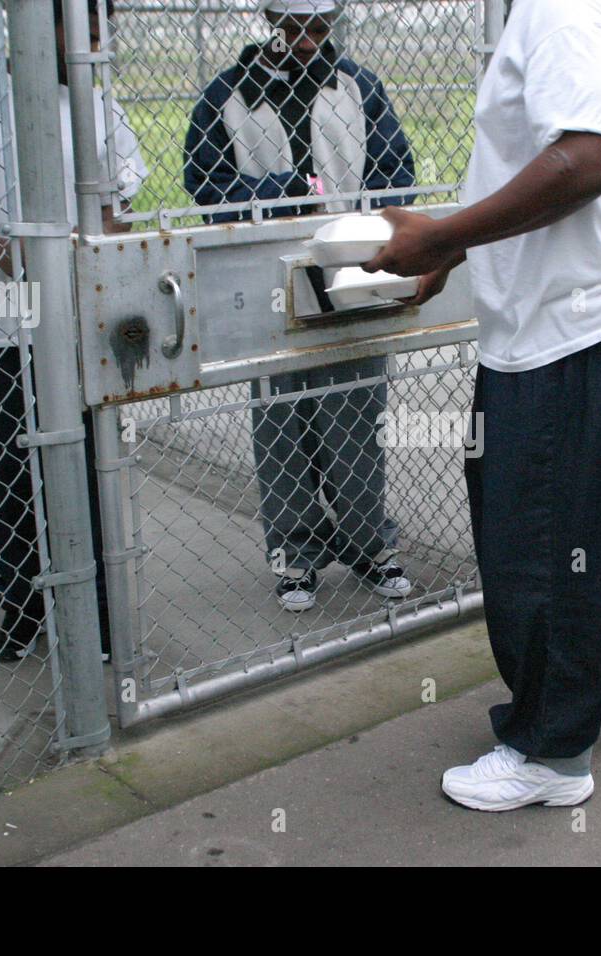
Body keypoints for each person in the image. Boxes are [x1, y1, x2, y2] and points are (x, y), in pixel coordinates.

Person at [365, 0, 601, 811]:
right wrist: (460, 244)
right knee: (563, 524)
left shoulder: (561, 9)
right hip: (579, 320)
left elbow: (587, 159)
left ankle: (551, 751)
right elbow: (549, 156)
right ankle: (587, 670)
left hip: (569, 329)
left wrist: (438, 238)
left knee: (533, 534)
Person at [0, 0, 148, 662]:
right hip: (0, 327)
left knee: (95, 469)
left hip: (80, 330)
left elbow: (121, 210)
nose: (99, 43)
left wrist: (94, 248)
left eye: (105, 31)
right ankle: (22, 603)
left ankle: (96, 608)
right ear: (42, 22)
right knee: (8, 470)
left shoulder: (99, 106)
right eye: (87, 29)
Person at [182, 0, 416, 612]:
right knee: (282, 420)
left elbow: (398, 169)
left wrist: (361, 218)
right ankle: (295, 554)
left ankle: (369, 545)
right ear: (270, 24)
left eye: (317, 27)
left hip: (348, 269)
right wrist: (274, 195)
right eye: (292, 28)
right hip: (267, 275)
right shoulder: (228, 93)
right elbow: (203, 181)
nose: (306, 40)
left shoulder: (357, 85)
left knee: (355, 412)